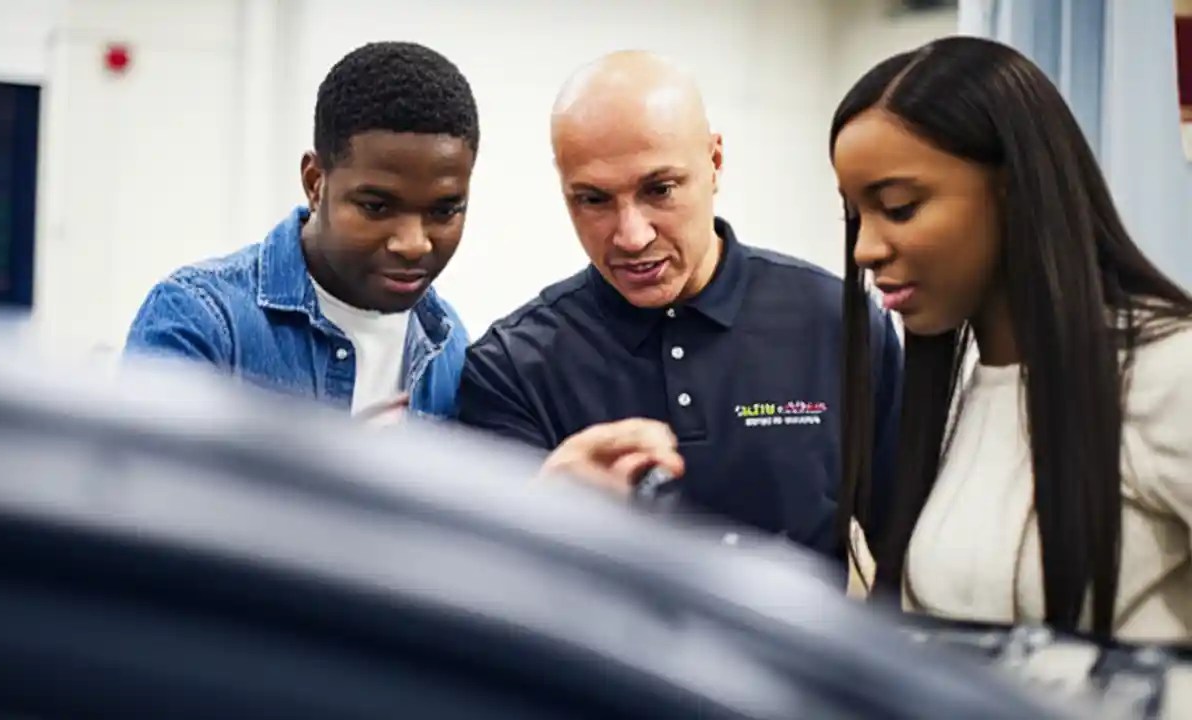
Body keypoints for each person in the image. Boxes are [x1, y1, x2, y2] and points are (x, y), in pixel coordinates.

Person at [457, 50, 902, 558]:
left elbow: (906, 549)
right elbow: (494, 585)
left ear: (714, 163)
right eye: (594, 200)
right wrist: (542, 501)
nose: (631, 235)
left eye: (660, 189)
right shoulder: (510, 369)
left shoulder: (837, 323)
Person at [834, 37, 1192, 642]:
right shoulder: (966, 391)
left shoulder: (1166, 372)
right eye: (854, 216)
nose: (865, 249)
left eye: (897, 207)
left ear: (1012, 187)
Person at [125, 42, 478, 423]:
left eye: (444, 211)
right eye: (376, 207)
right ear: (315, 183)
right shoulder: (202, 319)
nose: (413, 244)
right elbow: (138, 481)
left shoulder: (449, 344)